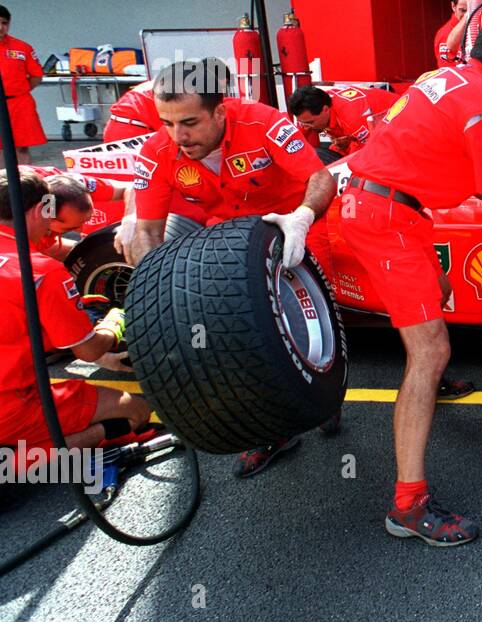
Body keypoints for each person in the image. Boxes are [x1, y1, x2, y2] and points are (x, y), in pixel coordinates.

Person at [339, 18, 482, 547]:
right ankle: (408, 505)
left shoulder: (443, 77)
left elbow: (475, 179)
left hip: (386, 207)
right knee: (429, 348)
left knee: (439, 292)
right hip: (387, 216)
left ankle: (431, 377)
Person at [125, 58, 339, 478]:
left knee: (312, 326)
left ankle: (325, 400)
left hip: (294, 226)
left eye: (189, 122)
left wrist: (303, 217)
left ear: (220, 111)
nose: (178, 136)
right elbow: (148, 232)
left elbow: (321, 178)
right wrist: (150, 300)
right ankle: (271, 431)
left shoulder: (266, 123)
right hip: (228, 246)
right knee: (236, 337)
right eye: (166, 123)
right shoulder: (156, 151)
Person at [0, 171, 148, 456]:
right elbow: (90, 351)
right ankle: (16, 461)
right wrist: (114, 322)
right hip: (11, 407)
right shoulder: (41, 271)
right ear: (40, 209)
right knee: (137, 413)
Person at [288, 84, 399, 156]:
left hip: (402, 128)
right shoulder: (317, 104)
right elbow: (295, 139)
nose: (305, 127)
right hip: (371, 134)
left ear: (325, 110)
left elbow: (368, 155)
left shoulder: (353, 117)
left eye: (310, 123)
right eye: (302, 122)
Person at [0, 5, 47, 164]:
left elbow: (36, 75)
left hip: (19, 103)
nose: (1, 27)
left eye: (4, 23)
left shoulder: (22, 48)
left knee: (21, 147)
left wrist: (18, 90)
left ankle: (26, 185)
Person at [433, 0, 468, 69]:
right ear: (453, 6)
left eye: (470, 10)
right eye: (463, 10)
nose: (467, 15)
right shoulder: (444, 34)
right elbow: (447, 69)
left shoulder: (476, 28)